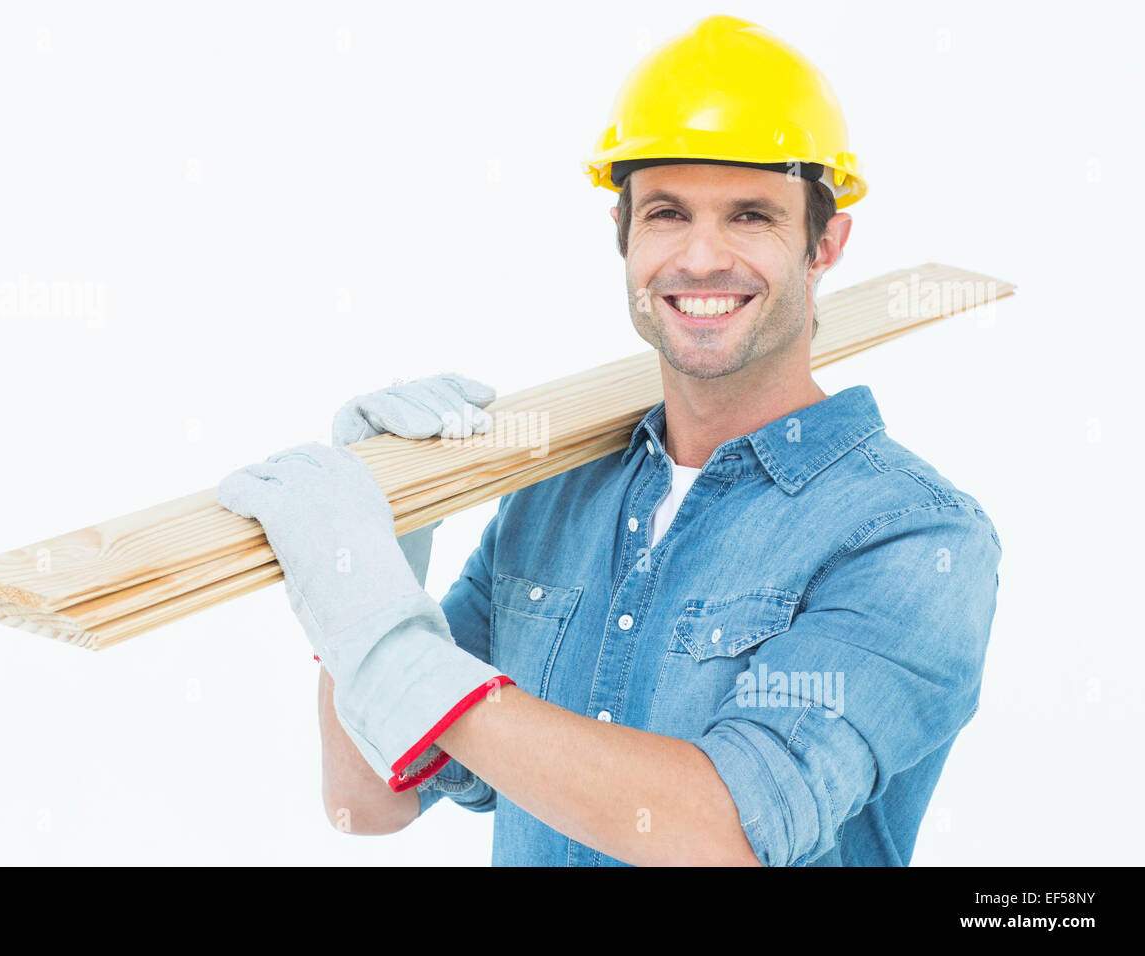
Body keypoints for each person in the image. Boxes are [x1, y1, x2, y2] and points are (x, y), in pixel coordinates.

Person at [217, 15, 1002, 866]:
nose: (702, 258)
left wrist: (404, 657)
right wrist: (377, 567)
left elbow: (724, 829)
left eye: (750, 216)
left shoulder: (915, 540)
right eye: (666, 213)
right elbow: (369, 803)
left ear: (827, 243)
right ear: (623, 236)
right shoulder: (557, 494)